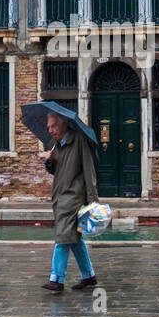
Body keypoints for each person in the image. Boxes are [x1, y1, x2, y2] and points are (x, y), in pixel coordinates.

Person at [42, 110, 99, 293]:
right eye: (49, 127)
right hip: (60, 196)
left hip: (73, 197)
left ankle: (56, 279)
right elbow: (56, 171)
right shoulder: (56, 145)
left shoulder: (80, 141)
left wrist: (93, 201)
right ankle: (88, 275)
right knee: (74, 239)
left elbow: (89, 171)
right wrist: (48, 163)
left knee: (63, 236)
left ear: (64, 124)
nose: (50, 130)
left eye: (54, 126)